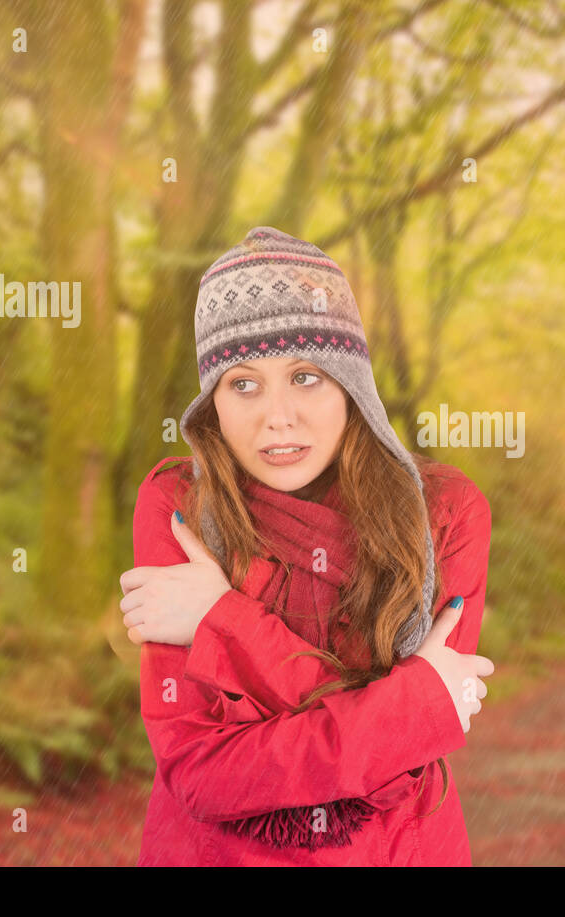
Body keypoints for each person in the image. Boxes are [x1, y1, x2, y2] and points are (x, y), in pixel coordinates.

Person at [119, 226, 494, 865]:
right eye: (243, 384)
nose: (277, 417)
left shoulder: (443, 514)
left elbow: (408, 771)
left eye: (306, 376)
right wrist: (406, 705)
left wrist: (220, 619)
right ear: (212, 400)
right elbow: (201, 772)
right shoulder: (180, 507)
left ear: (352, 383)